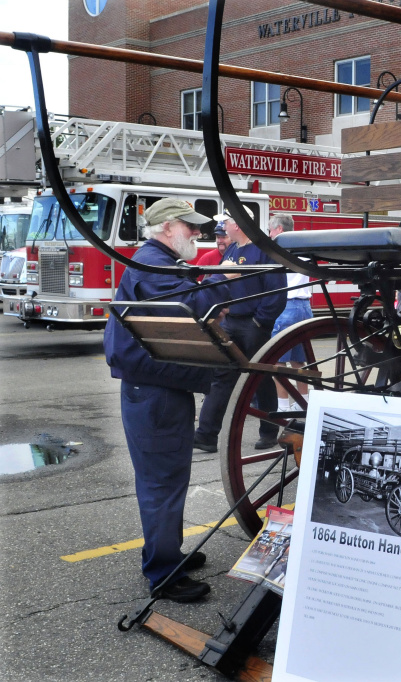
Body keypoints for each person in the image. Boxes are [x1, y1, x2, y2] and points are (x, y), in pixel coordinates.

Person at [104, 198, 239, 602]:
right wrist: (226, 278)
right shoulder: (154, 263)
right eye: (190, 227)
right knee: (162, 481)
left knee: (168, 478)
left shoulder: (157, 261)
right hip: (155, 393)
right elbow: (192, 304)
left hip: (158, 389)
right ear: (167, 229)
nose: (198, 234)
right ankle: (164, 573)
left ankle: (166, 554)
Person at [193, 207, 286, 453]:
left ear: (238, 224)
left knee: (261, 377)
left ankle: (268, 432)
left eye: (225, 222)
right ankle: (206, 435)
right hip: (231, 321)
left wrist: (260, 322)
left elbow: (276, 290)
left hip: (252, 323)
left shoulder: (264, 249)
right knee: (222, 376)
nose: (222, 227)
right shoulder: (234, 249)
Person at [267, 213, 313, 411]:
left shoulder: (280, 249)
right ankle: (304, 402)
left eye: (270, 231)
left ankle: (283, 406)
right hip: (304, 305)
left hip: (286, 304)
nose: (269, 235)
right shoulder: (303, 248)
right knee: (298, 360)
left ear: (279, 230)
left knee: (278, 361)